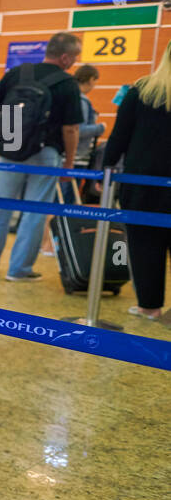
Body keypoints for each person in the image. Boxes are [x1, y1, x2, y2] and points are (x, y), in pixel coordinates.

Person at [0, 31, 83, 281]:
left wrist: (6, 132)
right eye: (75, 57)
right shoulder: (68, 84)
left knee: (0, 205)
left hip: (10, 150)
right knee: (34, 212)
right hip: (45, 154)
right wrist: (69, 163)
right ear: (65, 58)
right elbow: (71, 129)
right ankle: (19, 270)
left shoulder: (18, 73)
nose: (75, 61)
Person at [104, 41, 171, 320]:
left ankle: (149, 306)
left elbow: (119, 136)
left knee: (144, 245)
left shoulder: (140, 91)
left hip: (142, 183)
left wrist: (106, 170)